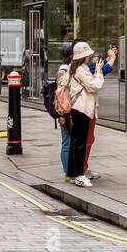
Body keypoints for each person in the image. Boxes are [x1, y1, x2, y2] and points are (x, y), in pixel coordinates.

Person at [64, 41, 104, 188]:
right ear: (84, 56)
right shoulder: (81, 69)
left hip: (75, 107)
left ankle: (72, 174)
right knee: (80, 143)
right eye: (88, 54)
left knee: (75, 141)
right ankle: (80, 175)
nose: (91, 56)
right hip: (82, 108)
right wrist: (99, 71)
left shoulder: (72, 67)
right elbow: (94, 86)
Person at [81, 42, 117, 179]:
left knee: (86, 139)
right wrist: (112, 59)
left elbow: (97, 68)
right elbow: (96, 83)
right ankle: (80, 170)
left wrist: (108, 59)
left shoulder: (81, 67)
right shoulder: (81, 69)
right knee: (87, 140)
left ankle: (79, 169)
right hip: (85, 109)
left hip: (84, 108)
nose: (90, 56)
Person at [55, 41, 74, 177]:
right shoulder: (64, 71)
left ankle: (69, 170)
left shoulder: (66, 69)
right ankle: (68, 172)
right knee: (67, 141)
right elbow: (61, 93)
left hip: (66, 110)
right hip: (65, 111)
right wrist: (62, 114)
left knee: (68, 141)